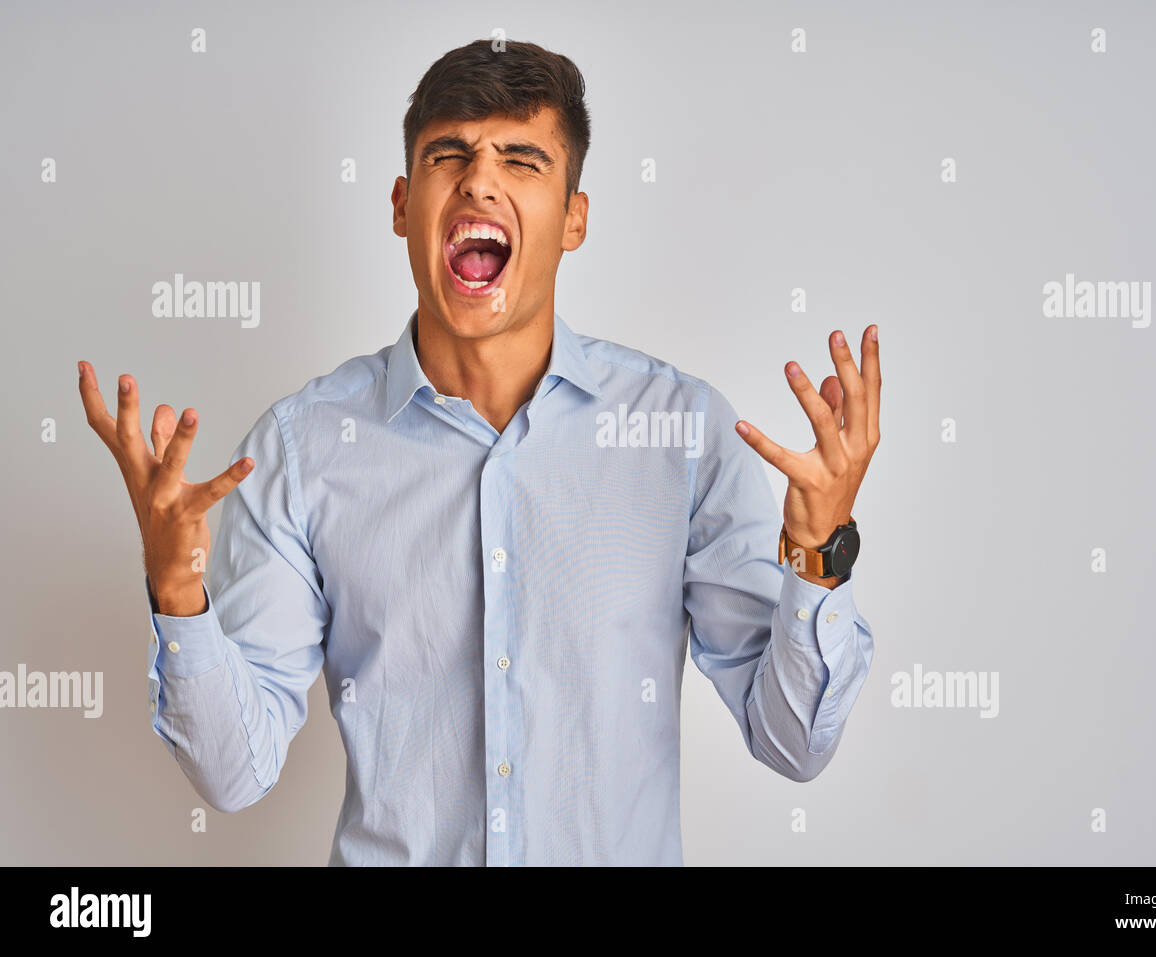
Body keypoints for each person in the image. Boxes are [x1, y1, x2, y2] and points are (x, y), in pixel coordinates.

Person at [77, 39, 882, 866]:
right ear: (401, 204)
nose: (479, 179)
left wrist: (822, 554)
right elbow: (234, 772)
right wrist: (178, 592)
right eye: (449, 154)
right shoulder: (302, 448)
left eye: (522, 159)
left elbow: (793, 744)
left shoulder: (680, 433)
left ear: (574, 217)